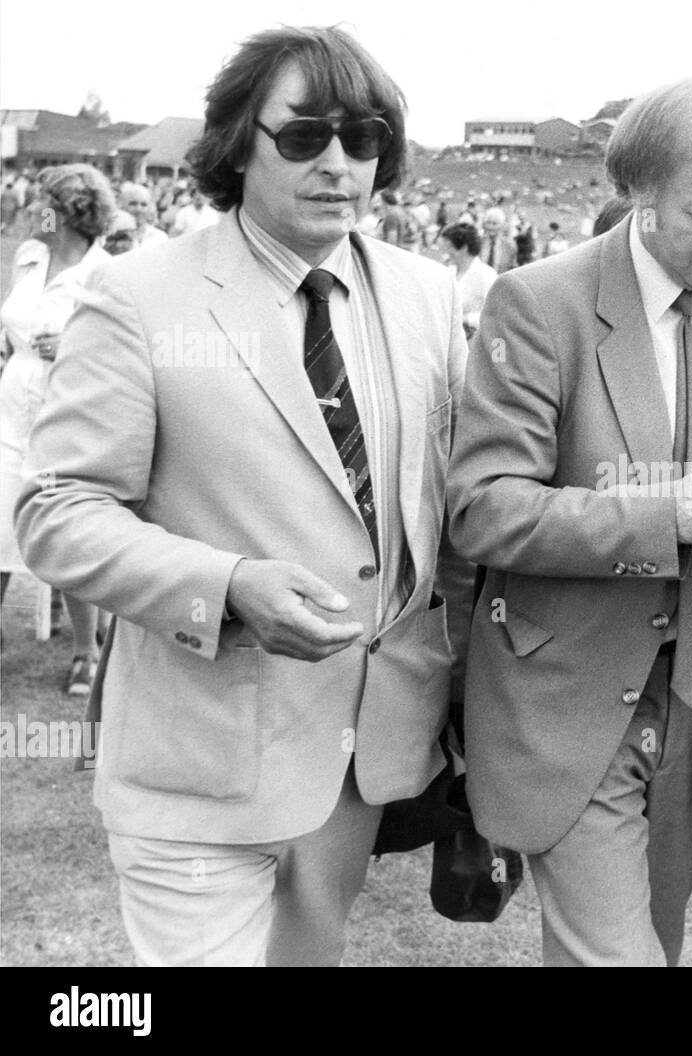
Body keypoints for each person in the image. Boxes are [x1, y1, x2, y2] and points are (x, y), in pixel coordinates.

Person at [15, 24, 468, 967]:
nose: (339, 163)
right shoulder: (139, 298)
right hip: (198, 767)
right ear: (236, 142)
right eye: (303, 137)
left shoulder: (428, 295)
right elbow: (58, 513)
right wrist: (226, 587)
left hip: (358, 761)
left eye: (365, 136)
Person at [447, 74, 692, 967]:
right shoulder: (539, 304)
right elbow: (483, 509)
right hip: (571, 697)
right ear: (640, 194)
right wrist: (667, 515)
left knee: (658, 941)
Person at [0, 164, 115, 696]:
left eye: (39, 205)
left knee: (63, 527)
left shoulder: (104, 273)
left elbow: (125, 355)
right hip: (9, 409)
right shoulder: (29, 259)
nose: (28, 213)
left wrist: (73, 345)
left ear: (65, 213)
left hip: (68, 410)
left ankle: (85, 653)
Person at [437, 221, 496, 340]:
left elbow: (495, 315)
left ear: (464, 248)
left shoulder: (486, 275)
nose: (445, 251)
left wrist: (466, 319)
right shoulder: (448, 272)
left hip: (476, 343)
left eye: (449, 247)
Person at [118, 182, 168, 248]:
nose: (138, 209)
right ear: (122, 206)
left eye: (144, 205)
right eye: (133, 204)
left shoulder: (160, 237)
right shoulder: (111, 238)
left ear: (150, 208)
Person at [479, 206, 516, 272]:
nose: (490, 227)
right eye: (488, 222)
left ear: (502, 225)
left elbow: (513, 269)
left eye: (494, 223)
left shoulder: (510, 246)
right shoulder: (477, 242)